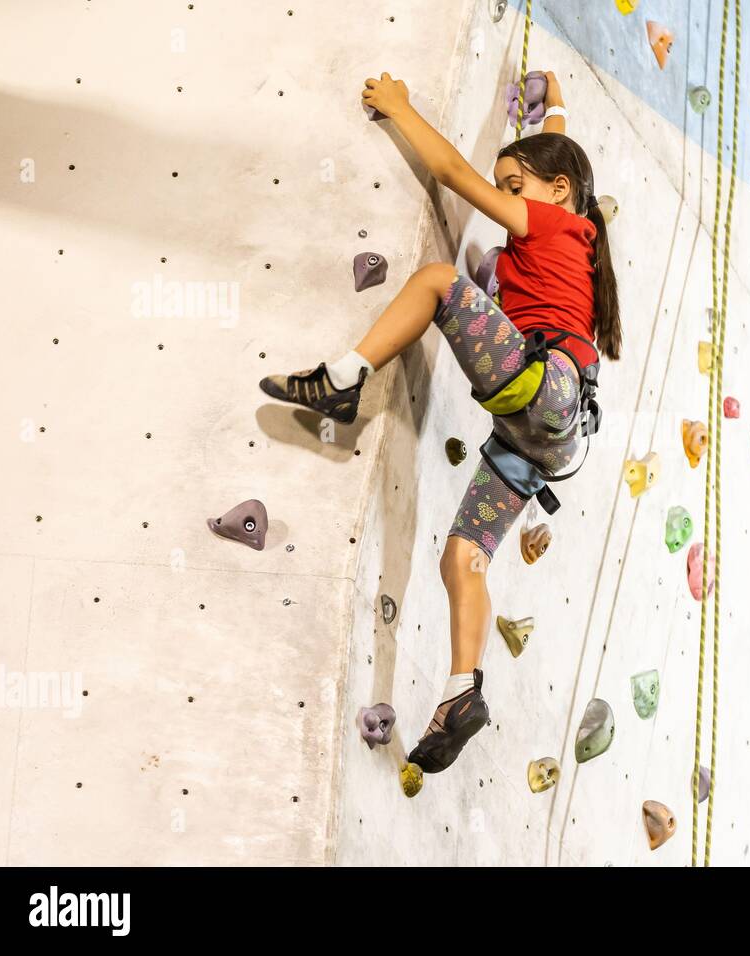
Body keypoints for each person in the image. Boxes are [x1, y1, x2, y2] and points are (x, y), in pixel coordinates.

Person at [259, 70, 621, 776]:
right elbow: (551, 160)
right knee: (463, 555)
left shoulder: (552, 219)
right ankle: (462, 691)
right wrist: (551, 103)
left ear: (557, 194)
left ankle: (341, 382)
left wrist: (401, 107)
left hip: (541, 386)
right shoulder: (570, 234)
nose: (507, 199)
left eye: (516, 186)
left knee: (436, 282)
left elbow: (455, 172)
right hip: (548, 434)